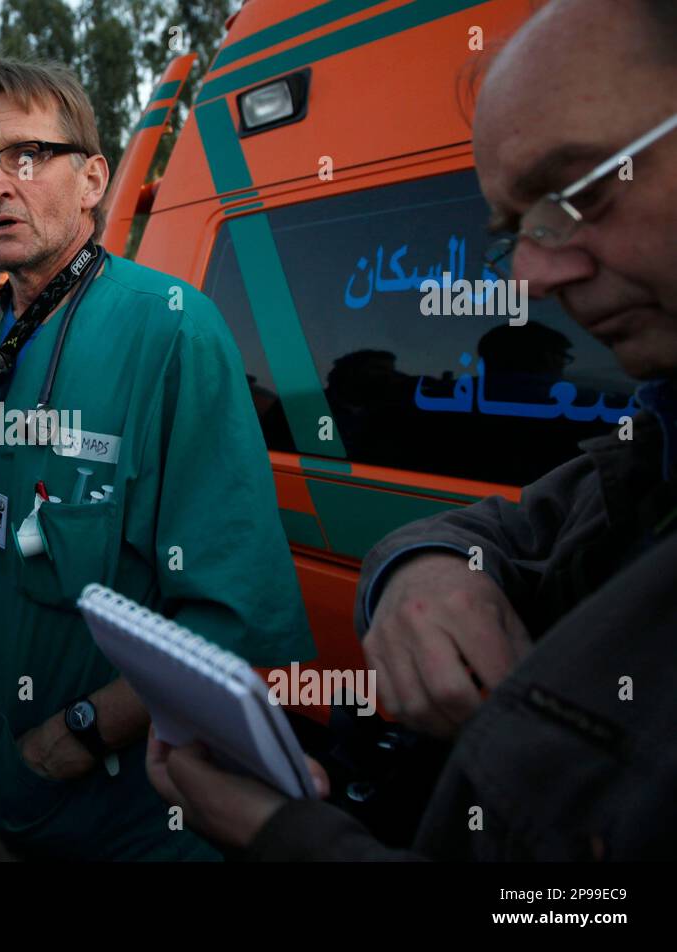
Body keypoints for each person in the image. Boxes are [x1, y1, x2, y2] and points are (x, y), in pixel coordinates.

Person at [146, 0, 677, 861]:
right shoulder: (655, 441)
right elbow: (538, 517)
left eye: (575, 194)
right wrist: (418, 561)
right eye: (513, 236)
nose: (535, 278)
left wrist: (285, 836)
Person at [0, 58, 312, 861]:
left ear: (93, 178)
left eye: (24, 157)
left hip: (103, 805)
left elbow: (229, 618)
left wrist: (82, 733)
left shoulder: (171, 331)